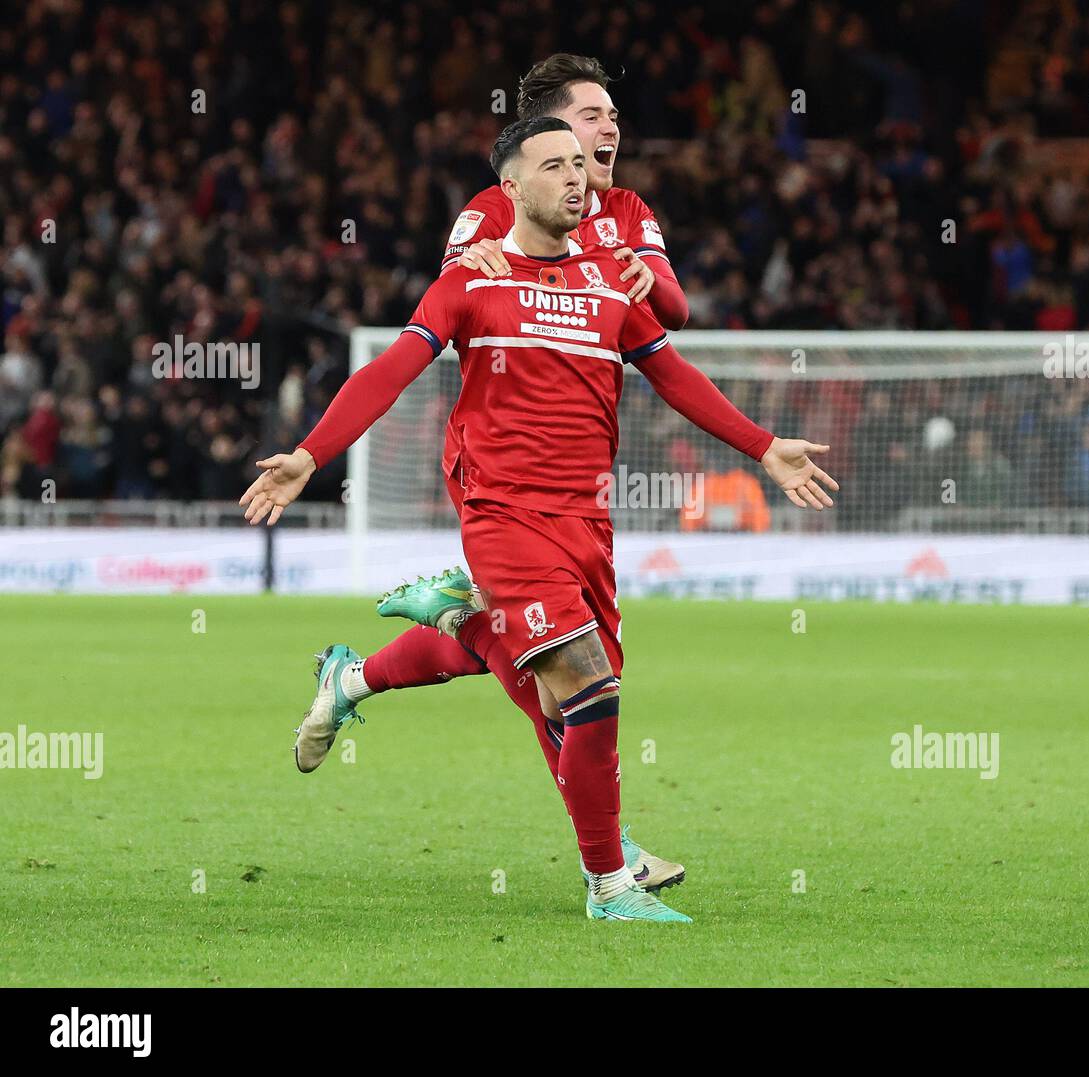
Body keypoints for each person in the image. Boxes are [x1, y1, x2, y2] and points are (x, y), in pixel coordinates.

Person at [240, 118, 837, 922]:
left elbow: (676, 374)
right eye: (552, 166)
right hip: (504, 517)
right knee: (591, 686)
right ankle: (609, 887)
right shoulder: (472, 284)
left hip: (588, 527)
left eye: (579, 166)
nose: (575, 178)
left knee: (561, 705)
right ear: (510, 189)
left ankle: (421, 643)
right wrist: (312, 455)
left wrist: (765, 448)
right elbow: (391, 370)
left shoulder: (608, 286)